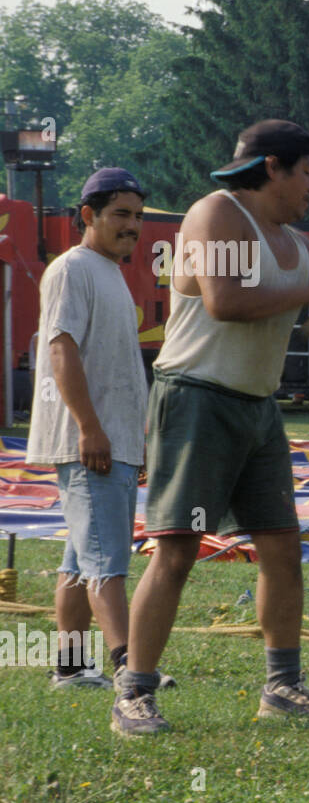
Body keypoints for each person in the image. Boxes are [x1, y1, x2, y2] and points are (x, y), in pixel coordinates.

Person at [111, 120, 309, 735]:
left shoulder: (297, 246)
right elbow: (225, 300)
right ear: (272, 167)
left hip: (255, 407)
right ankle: (134, 692)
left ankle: (283, 686)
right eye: (306, 172)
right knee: (176, 549)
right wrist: (307, 287)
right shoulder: (215, 215)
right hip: (195, 399)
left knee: (280, 547)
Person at [26, 168, 154, 689]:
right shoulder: (71, 269)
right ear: (88, 216)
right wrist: (90, 429)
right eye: (121, 214)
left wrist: (132, 439)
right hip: (91, 442)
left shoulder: (110, 272)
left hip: (113, 440)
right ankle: (131, 668)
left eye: (139, 217)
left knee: (80, 561)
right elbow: (61, 348)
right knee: (108, 561)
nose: (133, 226)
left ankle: (72, 667)